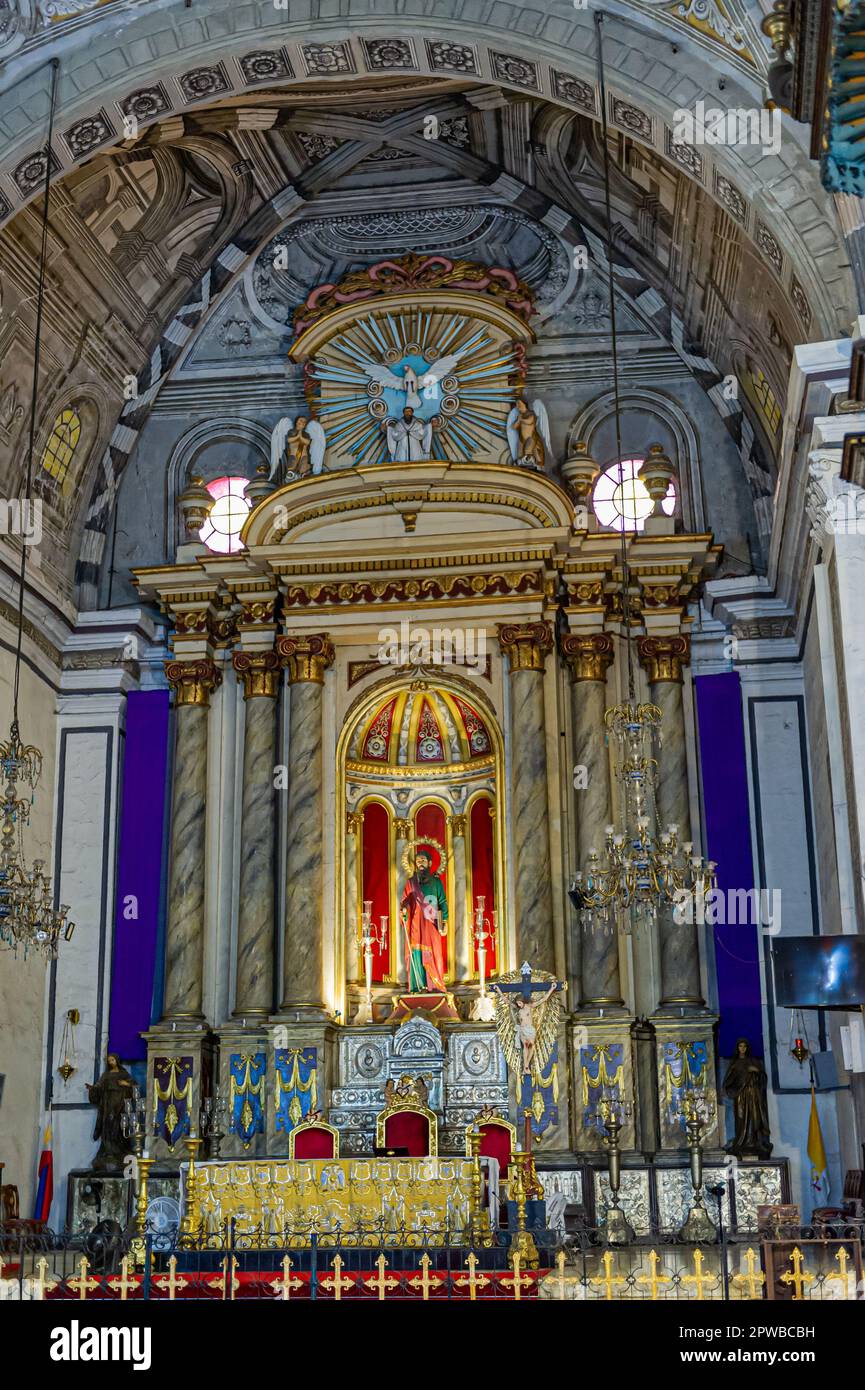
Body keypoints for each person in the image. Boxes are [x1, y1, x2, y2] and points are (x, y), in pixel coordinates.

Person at [400, 847, 447, 992]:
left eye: (423, 860)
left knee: (433, 952)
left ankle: (434, 986)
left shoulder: (436, 883)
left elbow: (442, 902)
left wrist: (444, 921)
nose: (420, 863)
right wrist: (404, 908)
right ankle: (417, 986)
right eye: (418, 861)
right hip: (415, 922)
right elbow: (405, 900)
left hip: (431, 923)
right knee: (416, 952)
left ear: (430, 863)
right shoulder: (411, 882)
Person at [723, 1038, 772, 1158]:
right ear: (737, 1048)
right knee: (741, 1119)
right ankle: (741, 1143)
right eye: (740, 1046)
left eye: (744, 1046)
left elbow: (763, 1079)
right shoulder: (734, 1063)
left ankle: (755, 1143)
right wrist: (743, 1076)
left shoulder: (753, 1061)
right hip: (740, 1096)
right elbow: (728, 1082)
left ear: (747, 1048)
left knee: (754, 1118)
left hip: (753, 1094)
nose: (743, 1048)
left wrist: (757, 1071)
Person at [86, 1053, 135, 1171]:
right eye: (109, 1060)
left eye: (112, 1060)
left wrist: (126, 1084)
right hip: (108, 1106)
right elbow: (99, 1086)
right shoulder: (106, 1075)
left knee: (119, 1128)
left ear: (117, 1061)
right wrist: (92, 1089)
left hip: (121, 1105)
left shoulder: (124, 1074)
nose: (111, 1062)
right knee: (108, 1128)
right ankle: (108, 1152)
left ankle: (120, 1151)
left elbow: (134, 1085)